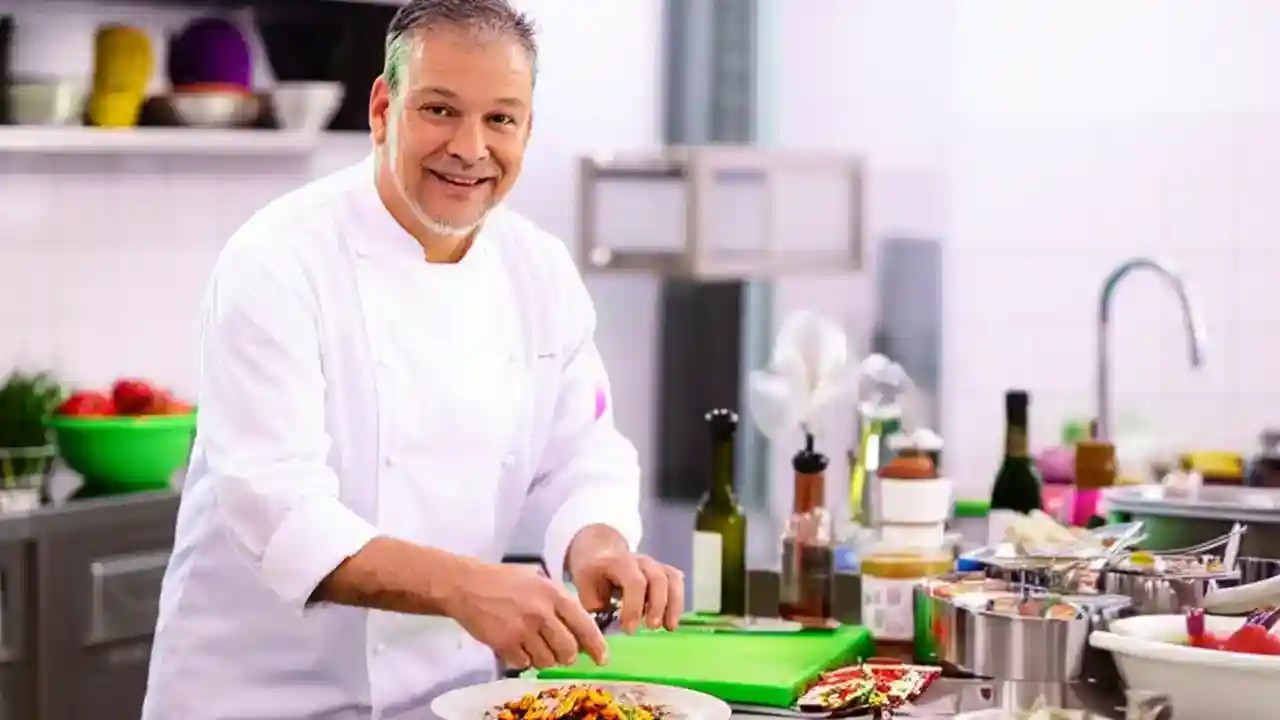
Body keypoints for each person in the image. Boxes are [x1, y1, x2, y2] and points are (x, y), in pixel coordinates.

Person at [141, 1, 684, 717]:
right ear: (382, 107)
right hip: (259, 699)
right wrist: (467, 587)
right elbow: (280, 513)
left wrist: (597, 542)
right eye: (439, 110)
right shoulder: (278, 260)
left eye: (501, 119)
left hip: (452, 698)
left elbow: (578, 457)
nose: (469, 147)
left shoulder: (538, 270)